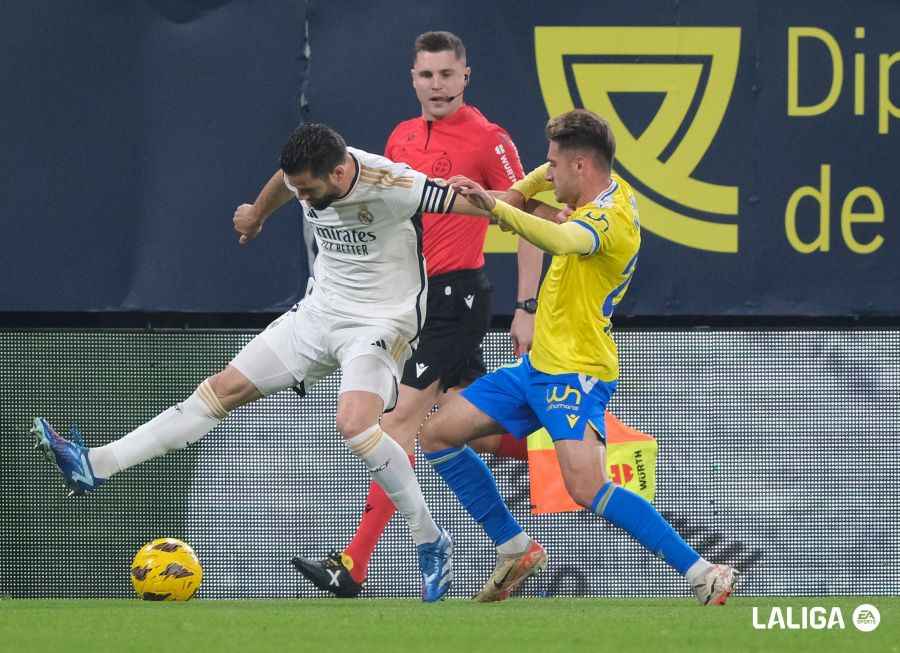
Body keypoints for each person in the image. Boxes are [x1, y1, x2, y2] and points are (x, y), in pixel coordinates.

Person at [31, 122, 484, 603]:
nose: (303, 196)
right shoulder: (304, 176)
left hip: (381, 322)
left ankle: (431, 540)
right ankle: (95, 465)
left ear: (336, 173)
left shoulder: (396, 184)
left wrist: (525, 207)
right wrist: (255, 214)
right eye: (298, 187)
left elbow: (482, 204)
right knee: (220, 389)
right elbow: (283, 182)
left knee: (355, 424)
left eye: (310, 189)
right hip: (319, 313)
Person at [418, 109, 740, 604]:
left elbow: (560, 238)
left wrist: (499, 211)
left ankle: (701, 572)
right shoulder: (596, 182)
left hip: (576, 371)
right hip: (537, 366)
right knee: (438, 433)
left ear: (582, 167)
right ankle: (513, 546)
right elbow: (515, 195)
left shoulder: (610, 221)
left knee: (587, 487)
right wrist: (490, 199)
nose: (547, 172)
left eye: (553, 165)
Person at [289, 30, 544, 598]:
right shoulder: (400, 137)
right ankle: (536, 507)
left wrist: (527, 305)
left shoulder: (488, 137)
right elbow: (372, 224)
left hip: (456, 299)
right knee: (459, 433)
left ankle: (353, 565)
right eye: (427, 76)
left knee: (394, 427)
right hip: (410, 301)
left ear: (465, 77)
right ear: (413, 80)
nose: (437, 86)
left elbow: (534, 217)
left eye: (447, 75)